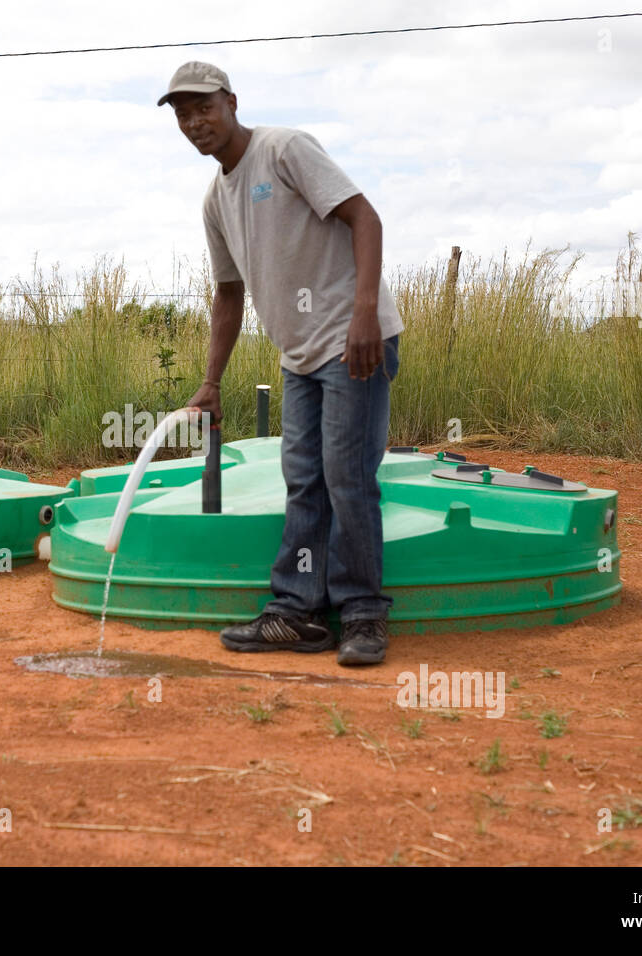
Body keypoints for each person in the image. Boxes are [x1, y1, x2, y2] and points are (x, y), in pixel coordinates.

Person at [159, 61, 404, 666]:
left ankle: (364, 615)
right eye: (183, 114)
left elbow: (364, 217)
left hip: (354, 342)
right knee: (304, 480)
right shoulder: (217, 199)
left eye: (204, 108)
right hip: (298, 356)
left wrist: (364, 313)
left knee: (347, 477)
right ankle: (296, 611)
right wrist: (211, 381)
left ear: (231, 102)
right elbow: (228, 294)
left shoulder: (284, 149)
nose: (195, 122)